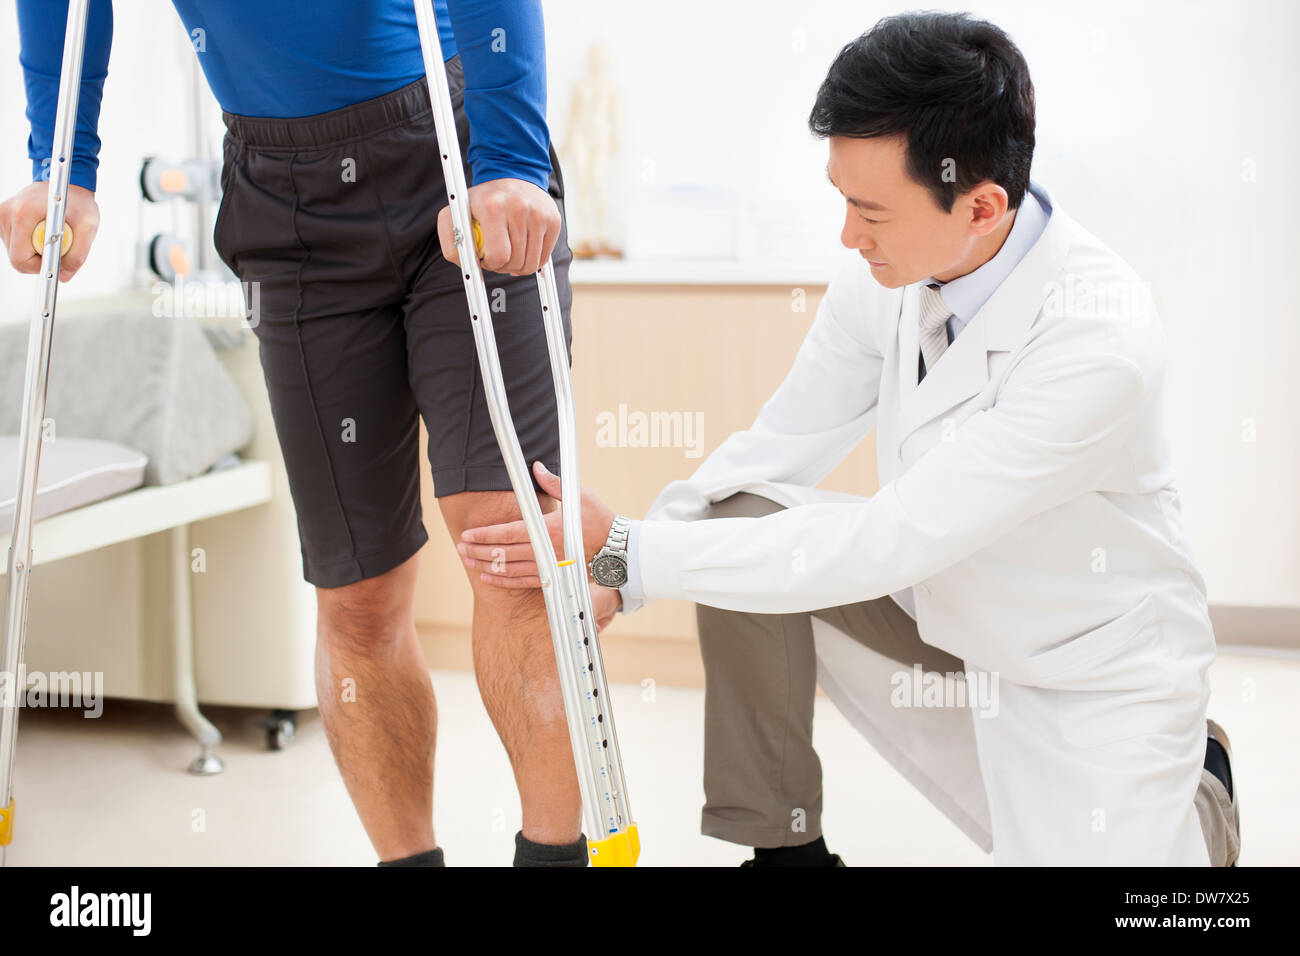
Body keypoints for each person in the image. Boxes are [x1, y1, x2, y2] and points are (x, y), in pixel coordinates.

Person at [456, 11, 1241, 866]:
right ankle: (787, 854)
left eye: (870, 211)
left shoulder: (1099, 343)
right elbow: (774, 449)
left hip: (1091, 675)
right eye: (841, 200)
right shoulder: (894, 274)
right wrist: (626, 574)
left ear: (981, 207)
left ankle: (1197, 792)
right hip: (945, 619)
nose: (847, 235)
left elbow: (889, 538)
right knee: (731, 516)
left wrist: (630, 554)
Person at [2, 0, 587, 867]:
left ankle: (555, 859)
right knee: (357, 596)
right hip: (285, 195)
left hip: (453, 150)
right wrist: (64, 168)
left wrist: (508, 157)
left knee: (509, 545)